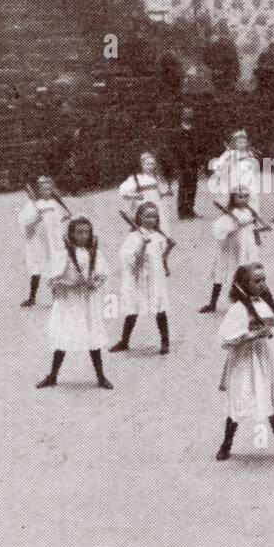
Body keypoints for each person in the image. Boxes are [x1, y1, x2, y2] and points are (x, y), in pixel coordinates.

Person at [214, 263, 274, 463]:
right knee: (239, 402)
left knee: (272, 400)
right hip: (245, 362)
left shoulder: (264, 304)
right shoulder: (238, 309)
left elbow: (273, 326)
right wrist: (252, 335)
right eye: (256, 281)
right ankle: (226, 445)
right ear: (243, 284)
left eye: (264, 280)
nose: (262, 284)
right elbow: (224, 339)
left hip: (266, 359)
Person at [37, 217, 114, 390]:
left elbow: (102, 274)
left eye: (86, 232)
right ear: (71, 233)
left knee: (92, 336)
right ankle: (52, 375)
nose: (83, 235)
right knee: (64, 336)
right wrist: (71, 283)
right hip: (70, 302)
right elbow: (52, 281)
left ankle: (101, 376)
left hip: (87, 301)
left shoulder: (94, 252)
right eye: (79, 232)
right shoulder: (64, 253)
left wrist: (94, 282)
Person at [111, 201, 172, 355]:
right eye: (147, 216)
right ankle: (124, 341)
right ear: (139, 217)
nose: (151, 219)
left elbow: (160, 256)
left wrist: (166, 259)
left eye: (154, 216)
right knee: (133, 309)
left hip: (155, 278)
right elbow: (132, 262)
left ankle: (165, 342)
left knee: (160, 309)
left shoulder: (158, 236)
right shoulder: (134, 237)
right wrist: (142, 245)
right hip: (139, 278)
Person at [201, 187, 263, 313]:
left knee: (245, 274)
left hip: (246, 248)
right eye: (240, 196)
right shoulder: (230, 213)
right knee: (221, 273)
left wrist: (257, 238)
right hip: (230, 249)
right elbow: (219, 231)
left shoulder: (250, 212)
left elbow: (255, 228)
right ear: (233, 198)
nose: (243, 199)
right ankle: (212, 304)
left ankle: (248, 303)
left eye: (246, 196)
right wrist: (233, 226)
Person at [19, 176, 69, 307]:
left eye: (49, 189)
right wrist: (36, 218)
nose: (47, 191)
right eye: (43, 189)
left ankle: (56, 297)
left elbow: (61, 220)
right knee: (36, 268)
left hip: (53, 242)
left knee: (54, 267)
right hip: (38, 242)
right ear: (38, 191)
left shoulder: (55, 204)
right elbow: (24, 222)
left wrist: (64, 218)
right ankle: (32, 297)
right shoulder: (32, 205)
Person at [119, 152, 176, 230]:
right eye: (148, 164)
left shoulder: (157, 178)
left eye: (152, 164)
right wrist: (135, 196)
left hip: (157, 207)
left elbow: (159, 193)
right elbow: (123, 193)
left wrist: (166, 193)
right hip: (143, 208)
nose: (150, 167)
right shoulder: (136, 179)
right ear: (142, 165)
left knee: (162, 228)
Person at [209, 130, 261, 211]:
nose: (242, 145)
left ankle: (252, 213)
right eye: (239, 142)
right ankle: (232, 211)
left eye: (244, 142)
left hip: (247, 179)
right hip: (234, 179)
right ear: (235, 143)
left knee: (251, 195)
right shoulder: (229, 154)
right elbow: (218, 164)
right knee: (234, 196)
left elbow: (253, 166)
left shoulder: (250, 154)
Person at [168, 106, 203, 219]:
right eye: (186, 113)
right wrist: (176, 165)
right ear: (182, 116)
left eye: (190, 113)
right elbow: (173, 150)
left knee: (193, 187)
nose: (188, 115)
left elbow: (199, 148)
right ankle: (182, 212)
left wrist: (199, 162)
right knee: (183, 187)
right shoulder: (176, 132)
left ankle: (190, 210)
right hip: (182, 165)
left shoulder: (195, 130)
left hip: (193, 164)